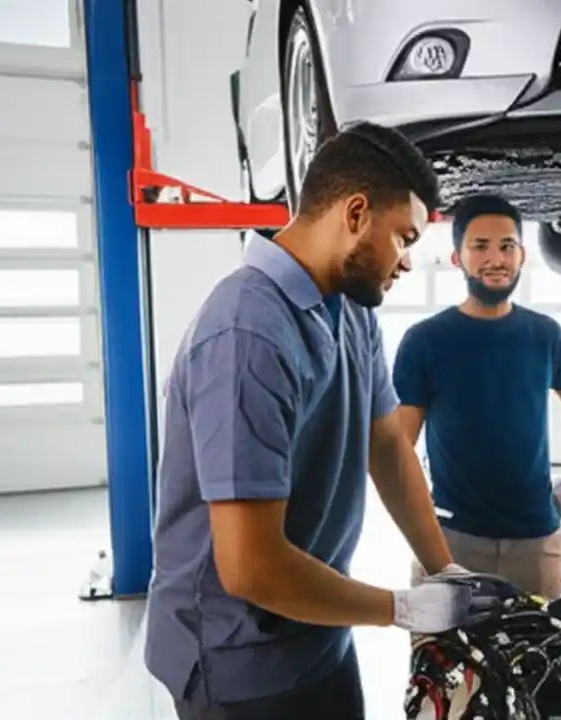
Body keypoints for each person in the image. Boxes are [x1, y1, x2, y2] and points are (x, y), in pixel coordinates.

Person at [144, 122, 485, 720]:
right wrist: (400, 608)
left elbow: (388, 447)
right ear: (355, 212)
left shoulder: (351, 309)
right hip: (238, 659)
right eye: (403, 237)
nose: (406, 261)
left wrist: (445, 570)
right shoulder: (245, 334)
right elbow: (251, 567)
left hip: (319, 632)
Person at [394, 193, 561, 600]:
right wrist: (423, 529)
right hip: (452, 539)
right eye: (480, 246)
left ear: (522, 255)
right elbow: (399, 445)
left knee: (540, 657)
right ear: (457, 258)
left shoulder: (545, 335)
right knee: (444, 661)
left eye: (507, 246)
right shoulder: (425, 341)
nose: (496, 259)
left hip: (536, 541)